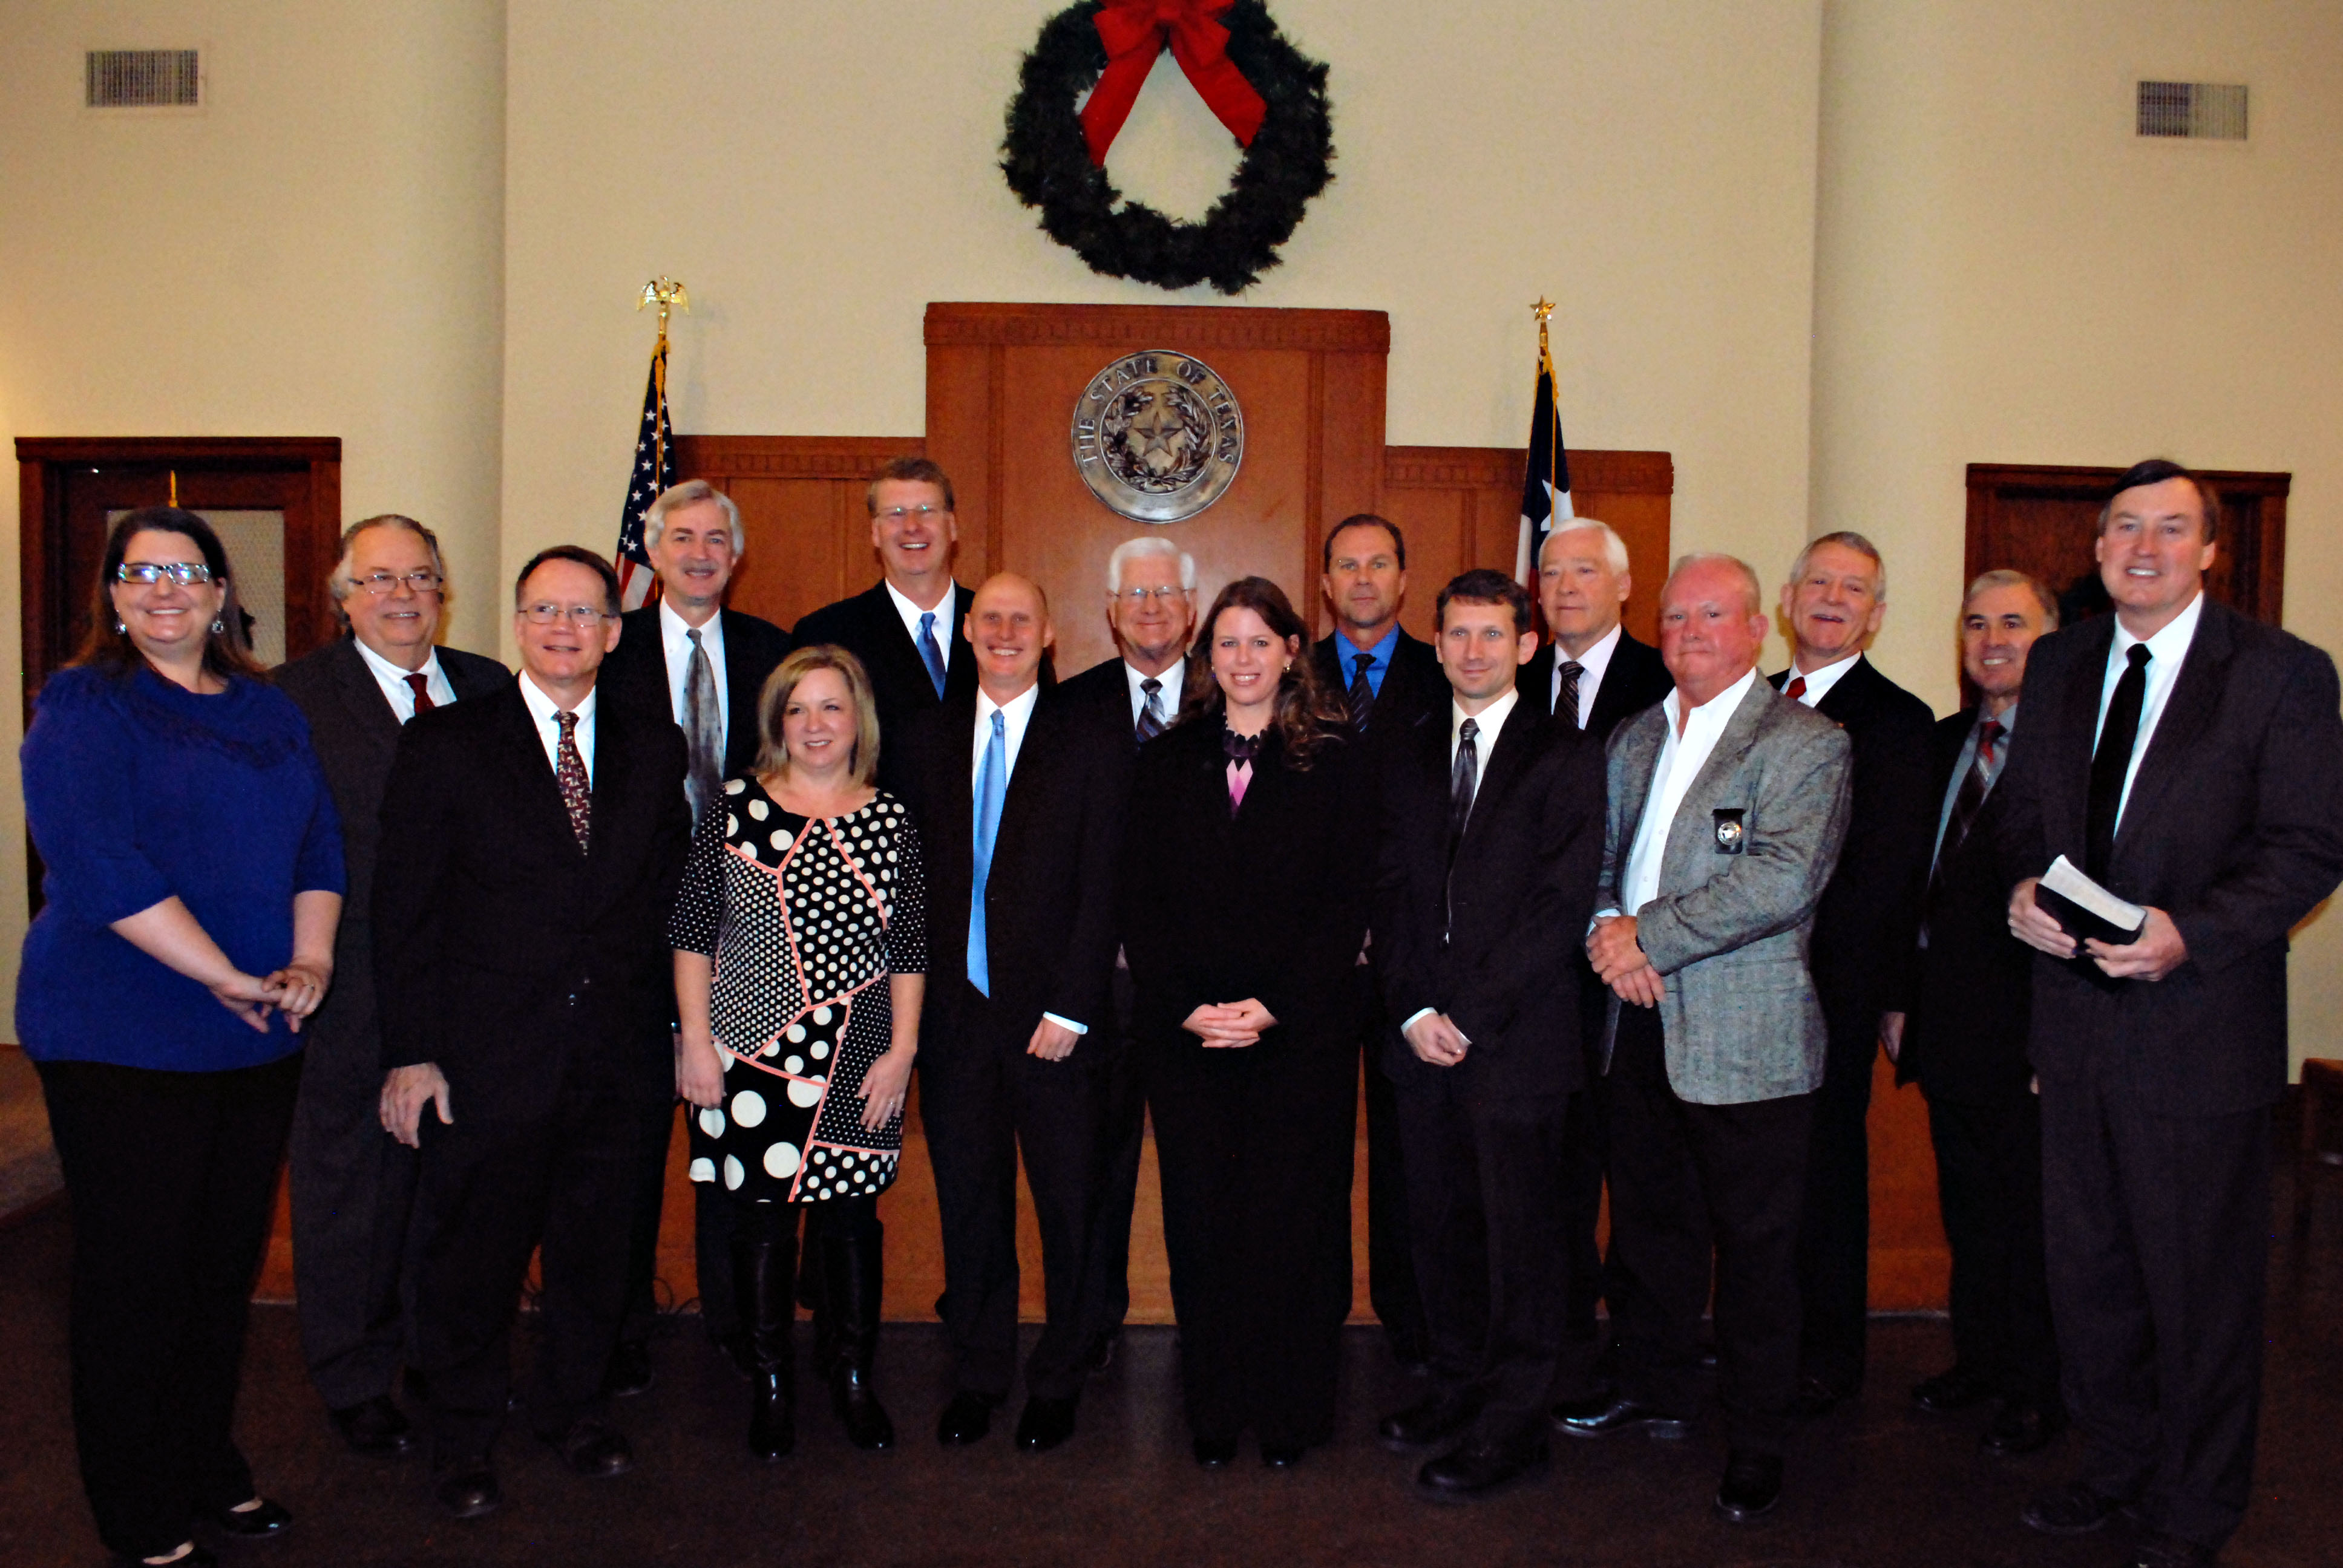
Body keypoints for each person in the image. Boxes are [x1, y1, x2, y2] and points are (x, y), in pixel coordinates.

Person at [1998, 460, 2343, 1568]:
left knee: (2196, 1289)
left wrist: (2187, 930)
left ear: (2208, 550)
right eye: (2123, 528)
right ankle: (2114, 1468)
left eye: (2169, 528)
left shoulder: (2281, 675)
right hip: (2072, 1025)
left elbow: (2308, 845)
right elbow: (2022, 816)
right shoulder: (2057, 662)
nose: (2141, 546)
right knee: (2089, 1275)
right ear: (2097, 550)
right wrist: (2018, 895)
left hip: (2197, 1029)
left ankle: (2194, 1509)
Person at [19, 507, 344, 1568]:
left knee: (217, 1269)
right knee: (135, 1274)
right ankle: (134, 1497)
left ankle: (206, 1462)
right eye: (139, 572)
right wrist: (230, 977)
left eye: (187, 572)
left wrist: (310, 966)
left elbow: (318, 841)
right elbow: (102, 866)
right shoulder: (84, 705)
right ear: (111, 594)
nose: (165, 590)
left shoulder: (266, 707)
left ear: (220, 592)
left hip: (255, 1033)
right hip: (122, 1029)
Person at [375, 546, 690, 1520]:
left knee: (598, 1252)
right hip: (484, 1058)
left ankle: (575, 1412)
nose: (566, 628)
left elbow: (669, 900)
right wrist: (412, 1053)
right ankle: (464, 1438)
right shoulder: (446, 744)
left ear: (614, 630)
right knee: (473, 1259)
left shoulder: (655, 744)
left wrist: (684, 1027)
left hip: (620, 1054)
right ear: (516, 623)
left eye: (586, 613)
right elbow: (404, 912)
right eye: (547, 610)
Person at [1556, 553, 1851, 1526]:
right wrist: (1613, 939)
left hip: (1746, 1039)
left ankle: (1759, 1437)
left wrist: (1649, 936)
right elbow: (1601, 864)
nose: (1690, 633)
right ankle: (1655, 1382)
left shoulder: (1806, 743)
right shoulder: (1635, 737)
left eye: (1713, 615)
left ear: (1757, 628)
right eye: (1677, 617)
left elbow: (1781, 880)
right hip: (1634, 1022)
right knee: (1649, 1231)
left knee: (1759, 1252)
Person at [1122, 577, 1369, 1469]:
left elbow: (1347, 906)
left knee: (1293, 1226)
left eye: (1261, 642)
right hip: (1188, 1041)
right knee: (1204, 1223)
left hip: (1297, 1039)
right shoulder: (1162, 761)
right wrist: (1189, 1005)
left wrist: (1274, 1007)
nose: (1244, 659)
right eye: (1227, 643)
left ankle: (1293, 1411)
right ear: (1207, 656)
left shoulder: (1337, 762)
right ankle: (1216, 1410)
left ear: (1293, 653)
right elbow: (1137, 901)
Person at [276, 515, 507, 1457]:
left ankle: (431, 1350)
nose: (401, 595)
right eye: (377, 580)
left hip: (478, 979)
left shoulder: (490, 687)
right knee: (354, 1184)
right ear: (342, 599)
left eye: (418, 576)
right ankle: (353, 1370)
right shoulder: (294, 701)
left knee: (447, 1178)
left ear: (443, 589)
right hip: (354, 975)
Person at [1372, 570, 1605, 1500]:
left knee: (1522, 1246)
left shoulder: (1567, 755)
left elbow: (1558, 908)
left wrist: (1467, 1012)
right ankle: (1457, 1387)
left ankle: (1515, 1424)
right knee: (1440, 1232)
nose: (1472, 651)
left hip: (1517, 1047)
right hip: (1420, 1043)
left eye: (1491, 635)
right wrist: (1414, 1011)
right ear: (1437, 646)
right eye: (1457, 634)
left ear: (1526, 645)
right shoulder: (1412, 751)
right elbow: (1388, 894)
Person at [670, 645, 926, 1460]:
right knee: (762, 1229)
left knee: (852, 1224)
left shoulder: (890, 817)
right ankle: (770, 1382)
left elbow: (910, 946)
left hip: (861, 1054)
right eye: (798, 709)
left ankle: (851, 1375)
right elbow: (689, 934)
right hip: (749, 1054)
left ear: (859, 721)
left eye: (832, 707)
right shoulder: (734, 807)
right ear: (777, 722)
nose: (816, 726)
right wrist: (697, 1045)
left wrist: (903, 1052)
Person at [890, 575, 1126, 1452]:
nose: (1002, 632)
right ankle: (981, 1373)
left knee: (1070, 1206)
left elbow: (1106, 881)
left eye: (1019, 619)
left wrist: (1075, 1005)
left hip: (1055, 1023)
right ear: (967, 634)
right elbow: (909, 883)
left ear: (1050, 634)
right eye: (987, 619)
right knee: (970, 1206)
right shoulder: (923, 737)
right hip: (954, 1021)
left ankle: (1059, 1376)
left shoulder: (1093, 737)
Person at [600, 479, 793, 1393]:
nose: (701, 552)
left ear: (737, 553)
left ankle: (734, 1326)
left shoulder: (774, 656)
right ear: (653, 550)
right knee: (633, 1152)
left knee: (735, 1144)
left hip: (755, 940)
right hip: (634, 939)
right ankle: (622, 1330)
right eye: (683, 537)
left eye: (718, 538)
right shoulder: (610, 648)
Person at [1890, 569, 2063, 1455]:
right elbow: (1921, 889)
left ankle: (2039, 1389)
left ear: (2054, 638)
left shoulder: (2077, 749)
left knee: (2034, 1221)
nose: (1992, 639)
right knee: (1972, 1211)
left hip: (2036, 1030)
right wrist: (1900, 1000)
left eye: (2013, 623)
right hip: (1950, 1023)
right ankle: (1983, 1361)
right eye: (1975, 623)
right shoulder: (1946, 738)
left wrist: (2063, 1035)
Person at [1768, 531, 1935, 1417]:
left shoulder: (1898, 723)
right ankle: (1765, 1337)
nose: (1833, 599)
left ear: (1877, 616)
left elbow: (1883, 873)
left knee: (1824, 1174)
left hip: (1827, 990)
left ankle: (1827, 1353)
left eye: (1855, 589)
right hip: (1736, 992)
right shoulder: (1747, 702)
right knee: (1757, 1178)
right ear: (1789, 599)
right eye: (1820, 582)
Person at [1522, 519, 1675, 1357]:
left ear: (1624, 586)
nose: (1566, 587)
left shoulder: (1667, 680)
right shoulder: (1505, 677)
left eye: (1585, 571)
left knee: (1644, 1183)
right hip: (1530, 986)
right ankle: (1559, 1345)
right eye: (1551, 573)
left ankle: (1642, 1360)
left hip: (1631, 978)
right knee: (1549, 1185)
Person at [1055, 535, 1198, 1373]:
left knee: (1199, 1169)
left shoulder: (1230, 702)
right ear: (1110, 614)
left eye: (1166, 596)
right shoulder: (1070, 710)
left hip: (1196, 990)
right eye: (1135, 597)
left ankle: (1208, 1323)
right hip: (1100, 986)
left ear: (1191, 609)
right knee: (1096, 1170)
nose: (1151, 610)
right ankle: (1091, 1324)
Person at [1306, 513, 1446, 1371]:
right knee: (1316, 1152)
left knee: (1412, 1154)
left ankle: (1417, 1325)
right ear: (1325, 583)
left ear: (1403, 579)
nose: (1363, 579)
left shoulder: (1447, 674)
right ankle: (1314, 1318)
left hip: (1411, 959)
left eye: (1380, 564)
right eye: (1347, 565)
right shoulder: (1289, 673)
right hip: (1317, 962)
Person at [790, 457, 976, 733]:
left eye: (926, 510)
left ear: (952, 526)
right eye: (896, 513)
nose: (912, 526)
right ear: (875, 533)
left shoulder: (1002, 627)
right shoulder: (825, 635)